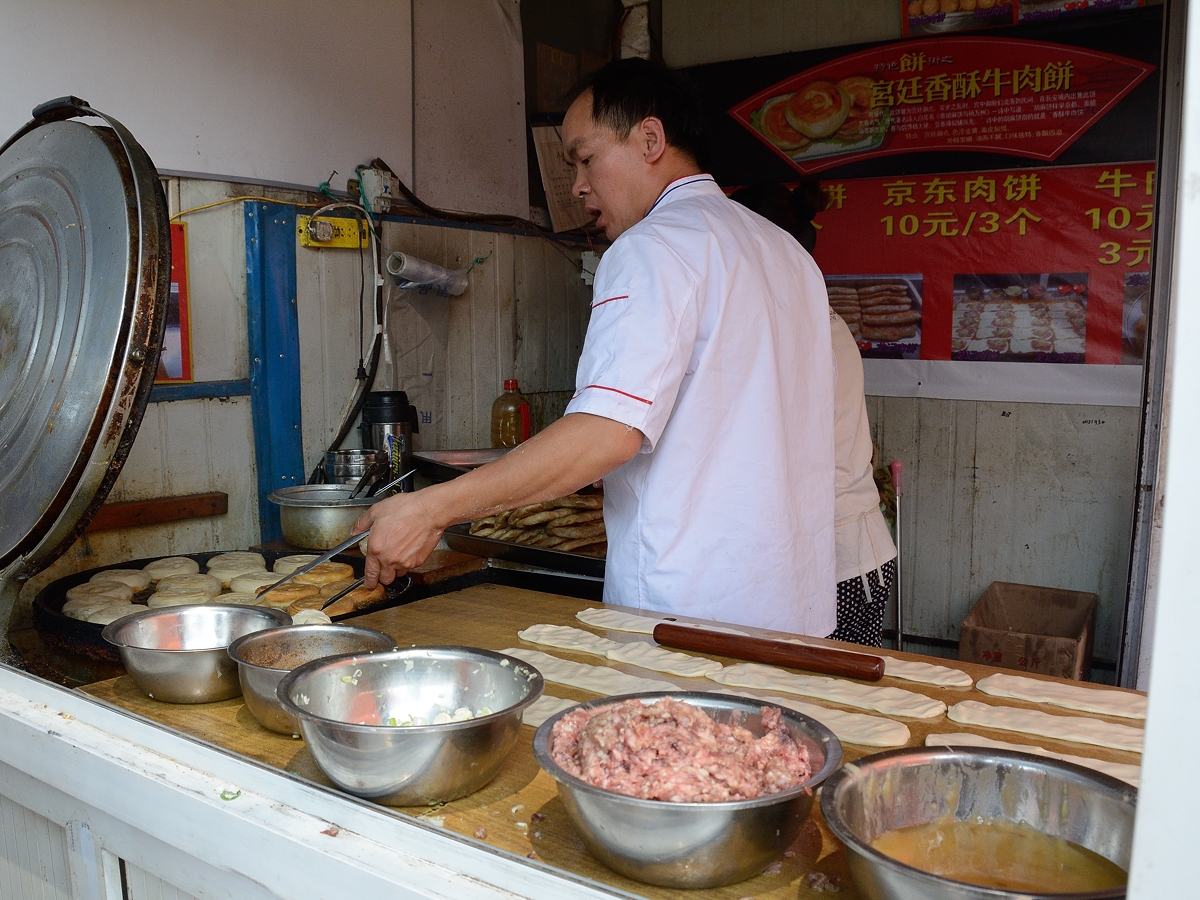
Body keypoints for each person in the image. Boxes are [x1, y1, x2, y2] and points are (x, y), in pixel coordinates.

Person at [355, 58, 836, 635]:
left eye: (586, 159)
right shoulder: (784, 252)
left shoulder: (653, 247)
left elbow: (606, 432)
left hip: (686, 618)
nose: (579, 185)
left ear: (650, 138)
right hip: (793, 612)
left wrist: (430, 508)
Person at [732, 182, 897, 646]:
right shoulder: (800, 319)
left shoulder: (801, 329)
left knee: (831, 710)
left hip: (841, 559)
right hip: (824, 552)